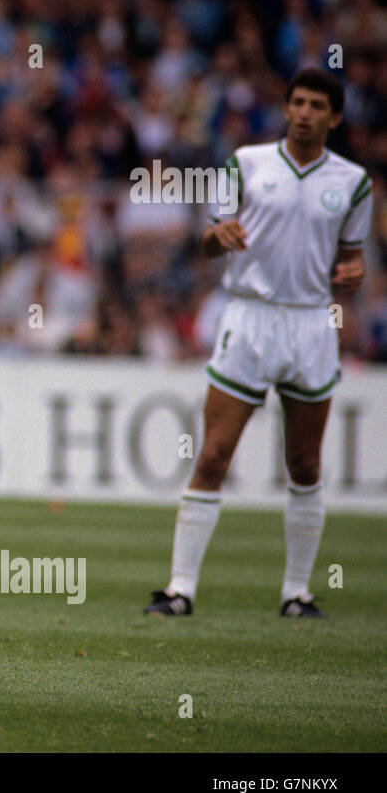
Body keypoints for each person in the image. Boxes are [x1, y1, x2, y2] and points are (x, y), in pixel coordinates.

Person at [145, 68, 372, 619]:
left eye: (317, 105)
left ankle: (296, 592)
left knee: (304, 461)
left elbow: (353, 257)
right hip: (248, 315)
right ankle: (180, 589)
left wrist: (353, 274)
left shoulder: (354, 182)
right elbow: (206, 239)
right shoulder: (246, 163)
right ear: (286, 107)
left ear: (334, 117)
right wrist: (216, 235)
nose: (304, 112)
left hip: (310, 322)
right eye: (296, 101)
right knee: (215, 453)